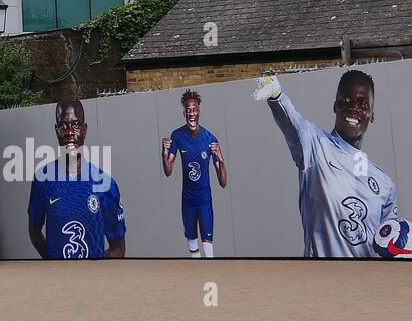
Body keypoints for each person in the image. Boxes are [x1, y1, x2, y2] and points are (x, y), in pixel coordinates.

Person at [255, 70, 400, 257]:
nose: (353, 108)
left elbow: (389, 244)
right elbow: (291, 119)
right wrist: (275, 94)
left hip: (366, 283)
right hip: (320, 281)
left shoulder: (384, 185)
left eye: (362, 104)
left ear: (371, 114)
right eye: (346, 100)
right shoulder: (314, 146)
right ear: (335, 106)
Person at [28, 99, 126, 259]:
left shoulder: (106, 184)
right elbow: (34, 232)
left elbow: (118, 249)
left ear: (85, 129)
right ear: (56, 131)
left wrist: (95, 273)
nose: (69, 132)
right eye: (63, 126)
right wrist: (52, 264)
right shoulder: (42, 180)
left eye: (75, 125)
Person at [162, 89, 227, 258]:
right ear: (184, 113)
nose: (191, 113)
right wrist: (163, 153)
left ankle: (211, 278)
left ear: (199, 111)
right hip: (187, 201)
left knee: (208, 248)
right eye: (188, 110)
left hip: (204, 200)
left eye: (194, 109)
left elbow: (223, 182)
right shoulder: (177, 136)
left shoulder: (210, 139)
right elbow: (168, 171)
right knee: (192, 245)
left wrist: (221, 159)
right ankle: (197, 279)